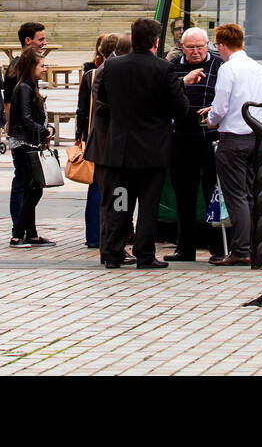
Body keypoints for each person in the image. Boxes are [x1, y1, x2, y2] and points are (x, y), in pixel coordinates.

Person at [92, 18, 188, 269]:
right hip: (151, 152)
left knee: (120, 203)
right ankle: (144, 255)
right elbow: (181, 108)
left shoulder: (112, 66)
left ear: (133, 39)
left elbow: (103, 98)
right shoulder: (163, 69)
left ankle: (113, 252)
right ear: (156, 42)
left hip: (121, 151)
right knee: (148, 205)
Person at [202, 22, 262, 266]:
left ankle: (240, 249)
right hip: (254, 136)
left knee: (235, 196)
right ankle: (253, 243)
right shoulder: (257, 67)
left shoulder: (228, 69)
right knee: (250, 194)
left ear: (221, 45)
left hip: (232, 138)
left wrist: (210, 119)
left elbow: (221, 107)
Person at [165, 26, 222, 262]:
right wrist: (182, 81)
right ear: (182, 47)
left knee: (214, 194)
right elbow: (163, 92)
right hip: (181, 138)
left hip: (210, 139)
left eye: (200, 46)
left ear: (207, 44)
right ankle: (185, 247)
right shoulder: (173, 67)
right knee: (184, 196)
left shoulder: (219, 66)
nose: (196, 51)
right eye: (191, 47)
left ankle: (218, 247)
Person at [3, 22, 48, 236]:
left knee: (31, 185)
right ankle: (18, 227)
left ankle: (29, 229)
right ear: (28, 41)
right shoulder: (17, 70)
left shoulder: (31, 68)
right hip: (23, 137)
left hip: (29, 135)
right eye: (41, 39)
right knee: (23, 182)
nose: (44, 43)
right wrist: (16, 133)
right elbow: (11, 106)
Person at [7, 49, 54, 248]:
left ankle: (31, 233)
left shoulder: (28, 86)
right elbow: (26, 119)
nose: (44, 69)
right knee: (32, 190)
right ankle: (18, 234)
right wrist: (44, 132)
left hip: (27, 142)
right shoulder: (24, 88)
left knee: (32, 188)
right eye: (41, 66)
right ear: (31, 67)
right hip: (24, 143)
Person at [76, 33, 119, 248]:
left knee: (95, 188)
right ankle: (111, 234)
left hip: (94, 137)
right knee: (113, 189)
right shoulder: (112, 72)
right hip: (112, 137)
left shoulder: (90, 74)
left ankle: (93, 236)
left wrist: (79, 137)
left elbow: (82, 110)